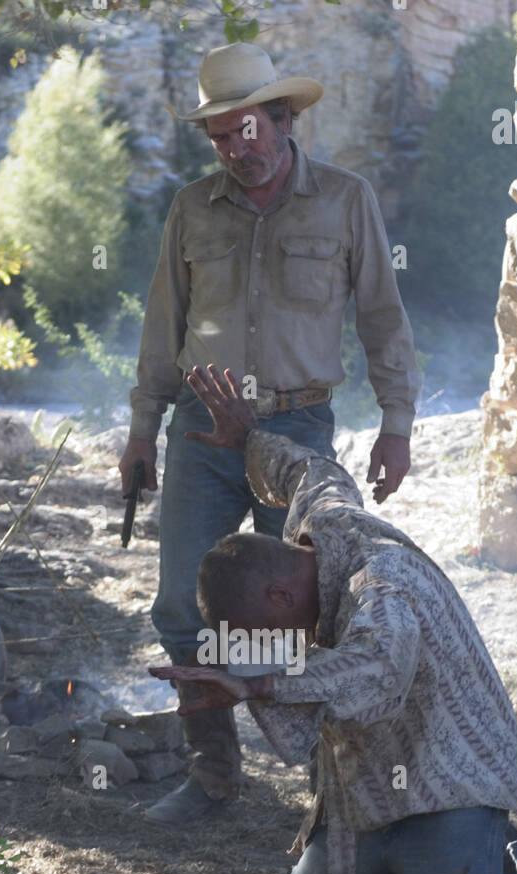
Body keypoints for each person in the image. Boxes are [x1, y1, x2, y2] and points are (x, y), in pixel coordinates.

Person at [149, 365, 517, 874]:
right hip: (370, 790)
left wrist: (258, 684)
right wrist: (248, 438)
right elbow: (309, 470)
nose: (259, 646)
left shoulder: (381, 587)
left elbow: (376, 670)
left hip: (450, 783)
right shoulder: (318, 523)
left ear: (280, 596)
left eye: (255, 632)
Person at [118, 41, 420, 825]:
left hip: (300, 426)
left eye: (247, 130)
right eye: (220, 137)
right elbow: (164, 324)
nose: (235, 149)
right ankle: (213, 776)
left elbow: (383, 316)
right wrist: (142, 430)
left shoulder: (346, 200)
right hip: (198, 428)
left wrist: (396, 424)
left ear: (283, 119)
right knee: (183, 605)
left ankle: (331, 791)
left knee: (306, 608)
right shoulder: (191, 207)